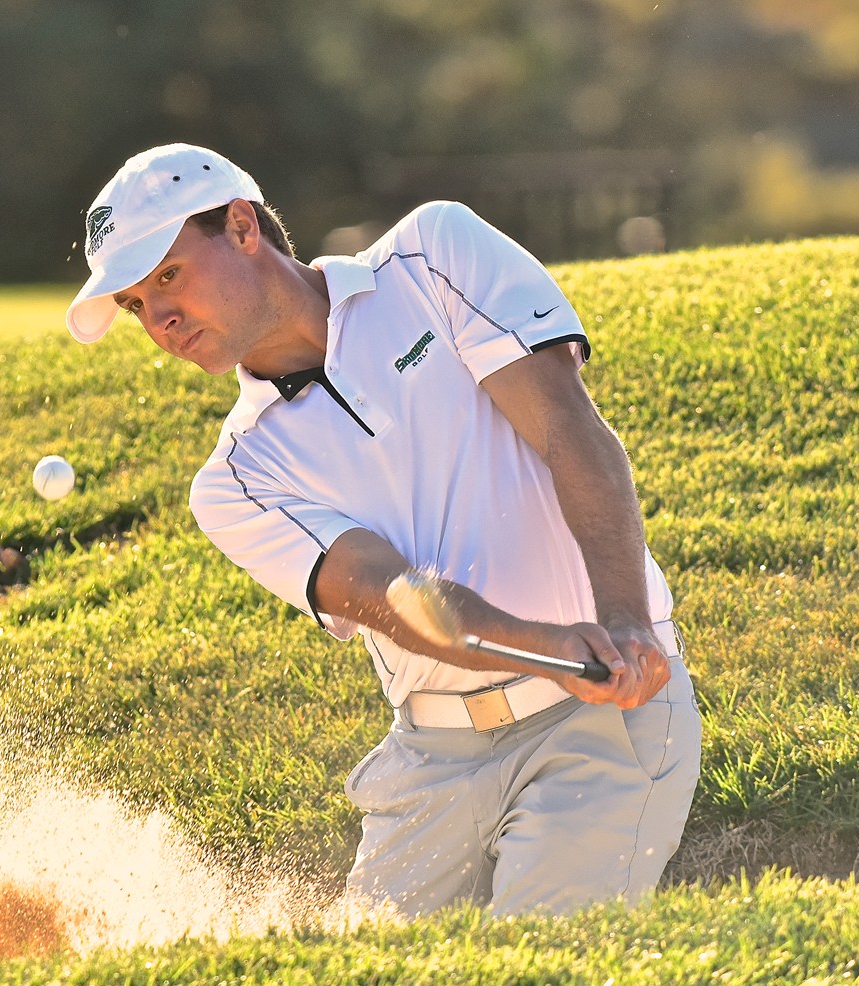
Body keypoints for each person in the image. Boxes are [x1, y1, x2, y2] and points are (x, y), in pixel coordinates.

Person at [65, 143, 700, 919]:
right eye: (134, 304)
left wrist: (624, 622)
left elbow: (570, 432)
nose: (159, 318)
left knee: (533, 985)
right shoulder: (235, 481)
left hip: (599, 717)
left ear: (240, 227)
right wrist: (544, 642)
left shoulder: (433, 256)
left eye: (167, 276)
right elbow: (393, 595)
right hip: (433, 763)